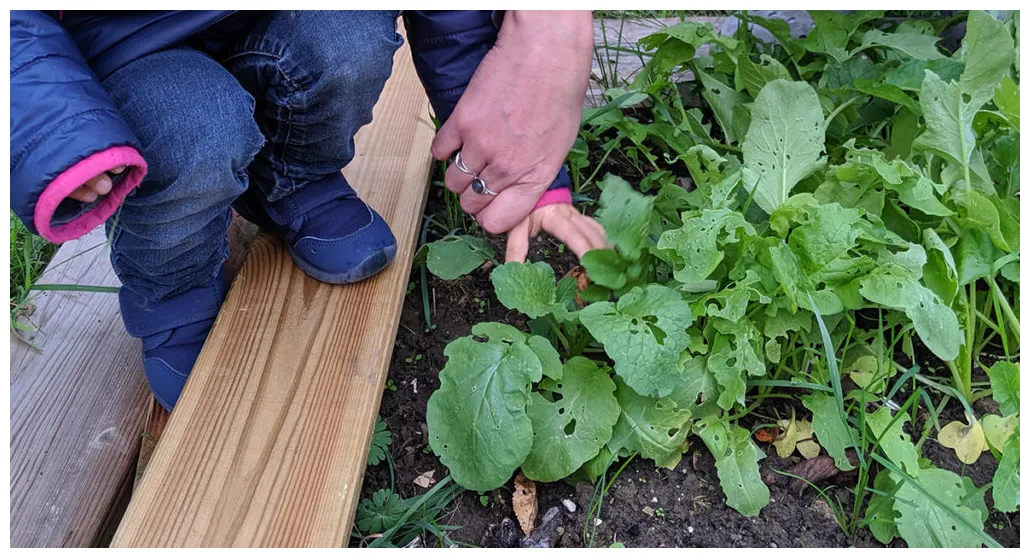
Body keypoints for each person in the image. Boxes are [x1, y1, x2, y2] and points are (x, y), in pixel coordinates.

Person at [10, 10, 605, 411]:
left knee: (352, 32)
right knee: (196, 130)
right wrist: (58, 133)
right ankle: (172, 283)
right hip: (134, 45)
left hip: (275, 21)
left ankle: (289, 177)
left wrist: (530, 175)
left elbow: (456, 20)